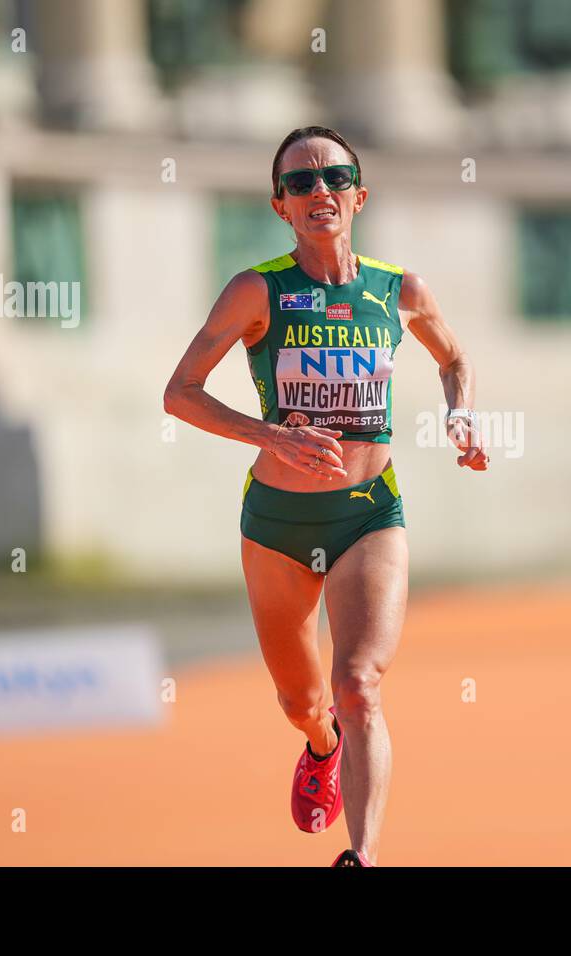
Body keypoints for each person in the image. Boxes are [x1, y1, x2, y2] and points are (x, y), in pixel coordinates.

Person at [165, 125, 488, 866]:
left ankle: (363, 856)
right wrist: (270, 435)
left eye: (335, 178)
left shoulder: (398, 289)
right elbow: (179, 394)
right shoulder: (257, 291)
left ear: (359, 196)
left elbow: (455, 357)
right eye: (301, 183)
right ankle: (321, 747)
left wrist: (461, 415)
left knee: (359, 683)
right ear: (280, 205)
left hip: (368, 515)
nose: (320, 192)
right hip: (277, 522)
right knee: (303, 703)